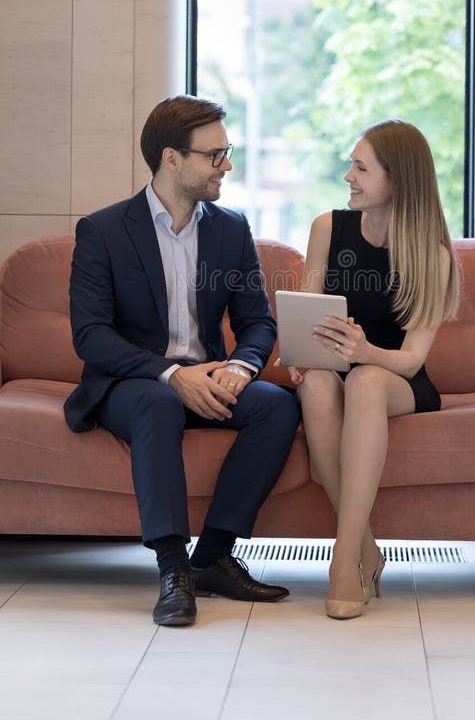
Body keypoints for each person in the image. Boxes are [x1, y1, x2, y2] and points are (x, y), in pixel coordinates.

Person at [64, 94, 301, 627]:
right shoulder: (103, 231)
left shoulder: (229, 228)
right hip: (133, 383)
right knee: (157, 404)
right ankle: (173, 570)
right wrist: (172, 373)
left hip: (211, 376)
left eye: (227, 152)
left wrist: (241, 369)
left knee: (277, 408)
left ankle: (212, 557)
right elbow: (91, 336)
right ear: (172, 158)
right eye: (215, 155)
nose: (228, 165)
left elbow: (257, 323)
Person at [286, 120, 458, 620]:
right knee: (317, 385)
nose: (348, 177)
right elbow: (308, 311)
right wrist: (299, 353)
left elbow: (411, 360)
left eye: (361, 168)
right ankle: (363, 544)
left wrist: (364, 352)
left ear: (396, 180)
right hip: (336, 370)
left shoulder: (434, 255)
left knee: (364, 380)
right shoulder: (327, 228)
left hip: (395, 378)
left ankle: (343, 560)